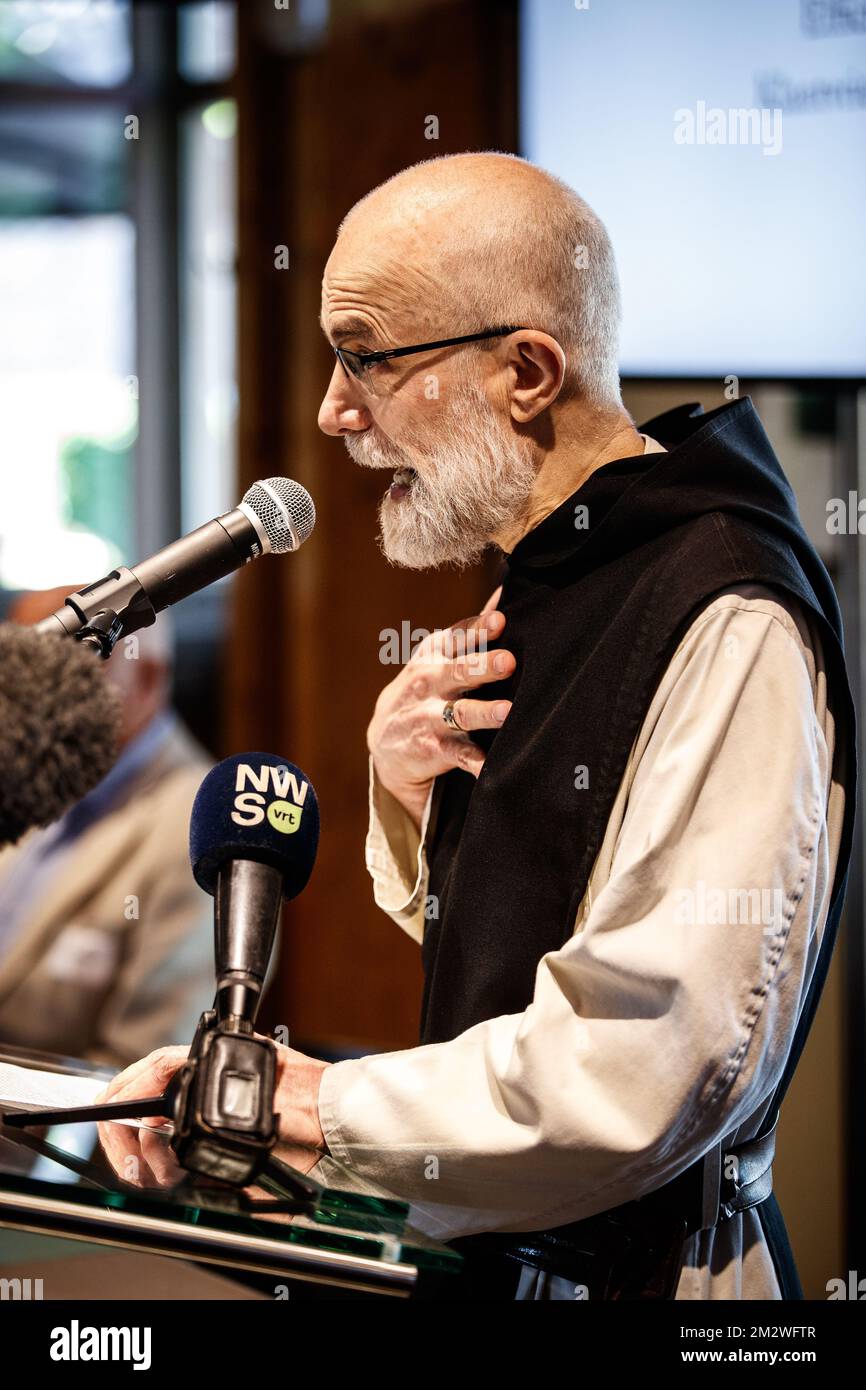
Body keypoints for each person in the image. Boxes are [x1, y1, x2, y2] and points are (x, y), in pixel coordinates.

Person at [98, 153, 855, 1300]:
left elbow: (636, 1065)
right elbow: (538, 952)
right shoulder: (563, 568)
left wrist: (303, 1103)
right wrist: (423, 810)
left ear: (525, 372)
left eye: (365, 355)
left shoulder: (724, 605)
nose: (331, 408)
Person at [0, 585, 215, 1068]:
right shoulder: (20, 766)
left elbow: (145, 1074)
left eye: (64, 669)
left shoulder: (198, 827)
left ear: (147, 676)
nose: (28, 697)